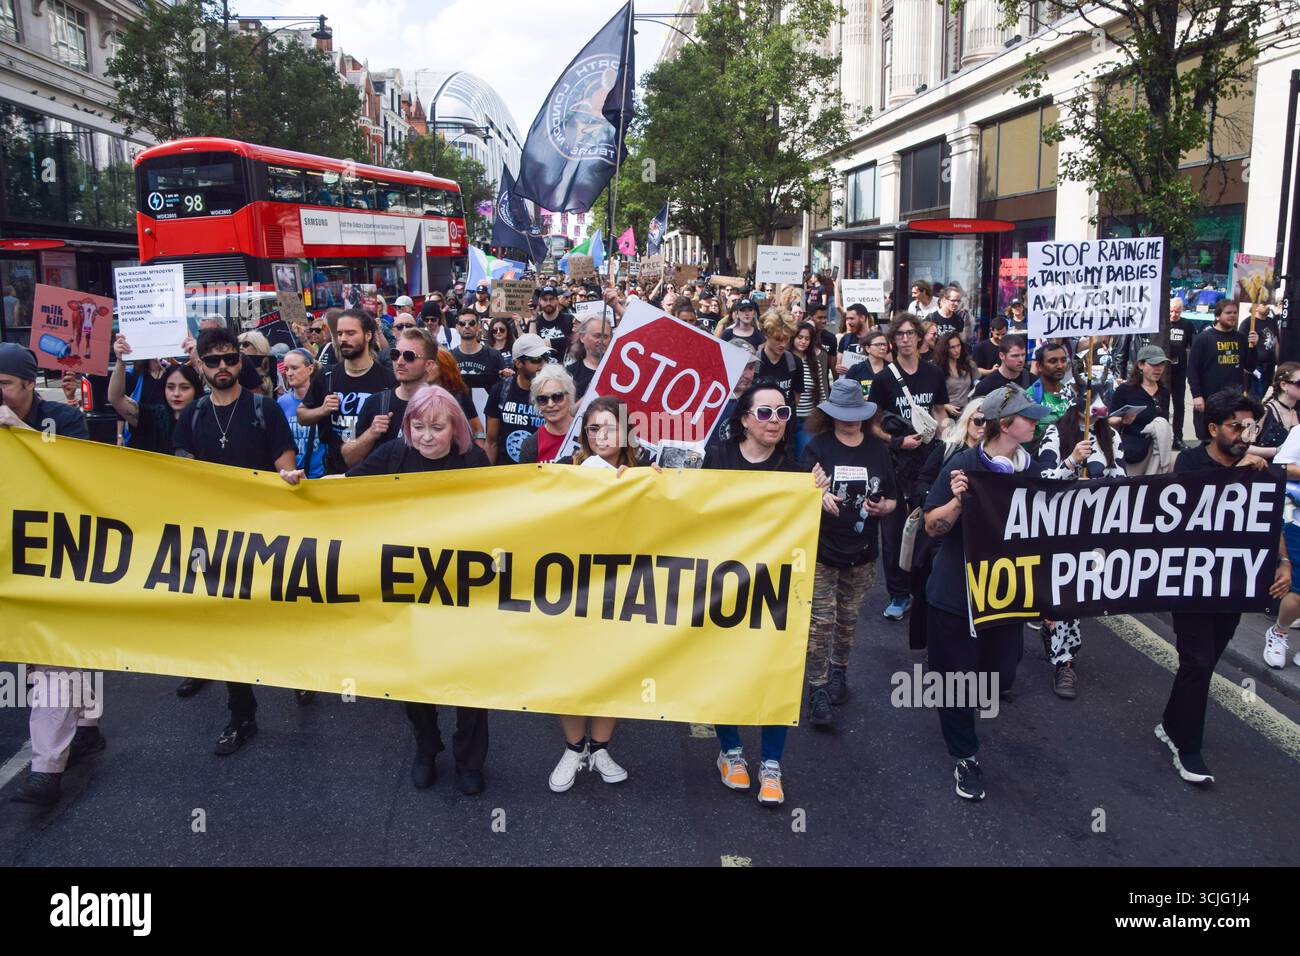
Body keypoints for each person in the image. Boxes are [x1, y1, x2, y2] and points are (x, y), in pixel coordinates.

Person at [344, 385, 491, 796]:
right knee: (415, 676)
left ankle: (469, 760)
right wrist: (297, 482)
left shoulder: (472, 461)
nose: (427, 436)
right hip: (409, 589)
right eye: (418, 426)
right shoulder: (395, 454)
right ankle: (426, 748)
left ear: (455, 429)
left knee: (469, 679)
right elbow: (343, 488)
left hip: (463, 589)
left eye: (437, 427)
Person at [171, 327, 304, 756]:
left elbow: (286, 465)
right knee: (229, 626)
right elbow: (181, 475)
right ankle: (241, 714)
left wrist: (286, 479)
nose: (223, 367)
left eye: (230, 358)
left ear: (240, 362)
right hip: (215, 539)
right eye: (213, 361)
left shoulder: (264, 410)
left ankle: (303, 672)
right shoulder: (191, 416)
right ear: (202, 367)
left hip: (265, 535)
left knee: (279, 617)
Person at [922, 385, 1052, 800]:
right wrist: (959, 501)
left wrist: (1048, 597)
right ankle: (964, 756)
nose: (1034, 422)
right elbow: (931, 525)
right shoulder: (963, 464)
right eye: (1026, 416)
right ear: (1004, 422)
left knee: (999, 675)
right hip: (957, 595)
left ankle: (953, 694)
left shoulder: (1032, 470)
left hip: (1006, 597)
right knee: (957, 682)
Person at [1156, 389, 1287, 785]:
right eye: (1236, 426)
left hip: (1232, 582)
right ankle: (1187, 747)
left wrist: (1283, 562)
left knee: (1205, 661)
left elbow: (1269, 517)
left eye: (1251, 426)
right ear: (1213, 429)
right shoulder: (1191, 462)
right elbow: (1167, 508)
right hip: (1190, 581)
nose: (1245, 434)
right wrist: (1233, 472)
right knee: (1196, 660)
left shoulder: (1257, 472)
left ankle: (1169, 722)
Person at [0, 343, 99, 807]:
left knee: (51, 651)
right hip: (11, 557)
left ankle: (45, 769)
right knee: (64, 649)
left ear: (25, 384)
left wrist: (22, 434)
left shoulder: (64, 418)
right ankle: (86, 727)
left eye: (3, 384)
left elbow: (85, 470)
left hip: (64, 554)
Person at [704, 385, 807, 805]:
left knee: (772, 669)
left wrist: (821, 496)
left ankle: (771, 763)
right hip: (719, 582)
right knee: (723, 667)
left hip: (773, 590)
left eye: (782, 412)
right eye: (764, 412)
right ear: (744, 418)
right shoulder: (716, 459)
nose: (774, 420)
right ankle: (730, 752)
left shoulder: (796, 470)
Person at [546, 395, 643, 792]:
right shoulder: (573, 473)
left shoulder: (645, 472)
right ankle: (573, 748)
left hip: (625, 588)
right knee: (571, 669)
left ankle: (599, 747)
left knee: (613, 669)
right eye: (593, 428)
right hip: (577, 587)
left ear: (625, 430)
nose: (602, 435)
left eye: (610, 426)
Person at [800, 380, 897, 727]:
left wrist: (882, 507)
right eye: (843, 416)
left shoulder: (877, 450)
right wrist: (816, 494)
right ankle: (818, 687)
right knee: (820, 621)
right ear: (831, 417)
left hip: (863, 551)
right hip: (823, 550)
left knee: (848, 619)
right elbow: (800, 492)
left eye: (856, 415)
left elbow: (892, 498)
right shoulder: (817, 448)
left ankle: (839, 672)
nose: (850, 422)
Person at [1035, 402, 1124, 699]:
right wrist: (1071, 462)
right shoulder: (1055, 433)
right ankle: (1065, 663)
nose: (1097, 410)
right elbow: (1042, 481)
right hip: (1058, 530)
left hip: (1093, 528)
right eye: (1092, 403)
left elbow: (1120, 480)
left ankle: (1058, 640)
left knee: (1081, 593)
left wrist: (1101, 483)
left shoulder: (1111, 436)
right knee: (1064, 594)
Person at [868, 313, 950, 621]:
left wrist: (947, 434)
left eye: (909, 334)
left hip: (928, 463)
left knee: (925, 528)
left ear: (919, 337)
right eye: (899, 335)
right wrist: (896, 442)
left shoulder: (933, 374)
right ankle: (898, 595)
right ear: (893, 340)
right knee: (893, 531)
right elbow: (872, 424)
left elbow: (939, 410)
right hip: (894, 464)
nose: (904, 339)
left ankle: (922, 591)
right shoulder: (883, 379)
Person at [908, 402, 986, 653]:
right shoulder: (949, 448)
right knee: (940, 591)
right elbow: (920, 481)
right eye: (978, 420)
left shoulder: (1003, 459)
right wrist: (936, 500)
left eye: (988, 422)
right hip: (942, 534)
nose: (982, 427)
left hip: (979, 537)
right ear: (967, 421)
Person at [297, 309, 397, 474]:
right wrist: (322, 410)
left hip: (376, 476)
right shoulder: (327, 376)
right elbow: (302, 415)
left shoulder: (387, 380)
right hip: (335, 474)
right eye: (340, 333)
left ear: (368, 335)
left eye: (351, 333)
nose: (343, 339)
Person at [342, 327, 440, 468]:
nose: (399, 361)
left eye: (409, 356)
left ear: (429, 365)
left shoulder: (443, 405)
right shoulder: (373, 402)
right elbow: (348, 457)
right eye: (395, 354)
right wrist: (371, 433)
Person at [108, 335, 202, 455]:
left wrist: (198, 360)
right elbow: (116, 398)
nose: (176, 394)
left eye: (184, 388)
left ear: (196, 389)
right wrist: (120, 361)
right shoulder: (154, 416)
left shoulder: (206, 416)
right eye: (170, 387)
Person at [1188, 299, 1257, 442]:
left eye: (1235, 313)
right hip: (1209, 399)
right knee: (1208, 438)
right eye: (1228, 313)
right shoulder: (1204, 339)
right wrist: (1197, 395)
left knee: (1230, 439)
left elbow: (1250, 367)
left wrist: (1253, 347)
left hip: (1233, 400)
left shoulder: (1241, 339)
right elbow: (1193, 369)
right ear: (1218, 316)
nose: (1232, 315)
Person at [484, 333, 549, 464]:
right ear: (518, 363)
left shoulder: (553, 394)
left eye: (545, 357)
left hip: (540, 473)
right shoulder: (500, 391)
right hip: (507, 474)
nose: (542, 364)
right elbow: (491, 441)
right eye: (536, 359)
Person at [1110, 345, 1174, 475]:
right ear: (1141, 365)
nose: (1159, 369)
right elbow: (1109, 420)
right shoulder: (1125, 390)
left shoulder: (1164, 392)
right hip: (1133, 453)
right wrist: (1122, 420)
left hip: (1159, 451)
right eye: (1154, 364)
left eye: (1162, 364)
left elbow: (1165, 422)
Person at [277, 347, 326, 479]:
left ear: (310, 369)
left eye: (294, 368)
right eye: (286, 369)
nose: (289, 373)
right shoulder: (282, 402)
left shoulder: (324, 400)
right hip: (293, 477)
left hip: (322, 477)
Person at [519, 364, 576, 464]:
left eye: (557, 397)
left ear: (570, 396)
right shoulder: (531, 445)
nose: (550, 404)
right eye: (543, 399)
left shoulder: (588, 434)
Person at [1247, 363, 1300, 462]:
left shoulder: (1297, 414)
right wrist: (1277, 451)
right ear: (1284, 385)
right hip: (1264, 473)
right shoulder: (1262, 412)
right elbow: (1243, 448)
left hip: (1292, 474)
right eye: (1299, 383)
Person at [791, 320, 829, 456]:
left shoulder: (814, 363)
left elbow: (821, 391)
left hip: (808, 419)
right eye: (800, 337)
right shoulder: (786, 360)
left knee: (804, 454)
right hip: (789, 418)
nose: (803, 342)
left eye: (807, 339)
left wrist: (823, 415)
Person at [752, 309, 803, 407]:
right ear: (766, 335)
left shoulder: (795, 362)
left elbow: (796, 398)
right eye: (778, 339)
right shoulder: (754, 363)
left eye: (786, 339)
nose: (783, 344)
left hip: (787, 419)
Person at [1026, 341, 1073, 443]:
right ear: (1039, 366)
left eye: (1063, 360)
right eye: (1053, 361)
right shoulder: (1029, 397)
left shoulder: (1072, 393)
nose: (1060, 366)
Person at [451, 307, 507, 391]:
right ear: (457, 327)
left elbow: (504, 386)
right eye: (462, 323)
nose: (467, 326)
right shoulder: (449, 357)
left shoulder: (494, 355)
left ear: (478, 327)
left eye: (471, 323)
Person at [1165, 297, 1195, 449]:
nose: (1174, 314)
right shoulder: (1163, 323)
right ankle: (1161, 438)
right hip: (1163, 371)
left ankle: (1178, 437)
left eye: (1177, 311)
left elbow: (1192, 347)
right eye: (1171, 311)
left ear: (1181, 311)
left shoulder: (1187, 325)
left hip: (1179, 371)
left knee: (1179, 406)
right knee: (1162, 405)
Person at [565, 316, 611, 400]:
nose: (601, 341)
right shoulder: (570, 373)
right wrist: (587, 397)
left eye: (605, 337)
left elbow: (623, 404)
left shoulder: (617, 370)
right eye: (597, 336)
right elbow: (568, 411)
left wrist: (621, 413)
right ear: (582, 337)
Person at [1241, 301, 1280, 400]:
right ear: (1256, 307)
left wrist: (1278, 363)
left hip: (1270, 365)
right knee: (1253, 397)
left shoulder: (1271, 321)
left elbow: (1276, 342)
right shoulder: (1247, 323)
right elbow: (1241, 347)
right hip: (1256, 366)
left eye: (1267, 304)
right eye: (1264, 304)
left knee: (1261, 394)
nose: (1267, 306)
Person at [935, 331, 976, 415]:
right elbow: (932, 395)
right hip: (945, 412)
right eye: (952, 347)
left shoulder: (968, 364)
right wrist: (946, 406)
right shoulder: (938, 368)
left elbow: (976, 383)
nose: (957, 350)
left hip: (966, 411)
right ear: (945, 349)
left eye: (958, 346)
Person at [529, 286, 573, 356]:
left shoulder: (569, 319)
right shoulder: (534, 321)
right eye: (545, 299)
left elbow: (575, 341)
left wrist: (549, 342)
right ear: (540, 301)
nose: (548, 303)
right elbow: (532, 345)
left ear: (557, 300)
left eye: (551, 299)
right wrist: (533, 316)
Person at [846, 329, 889, 399]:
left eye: (885, 344)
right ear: (867, 348)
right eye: (878, 345)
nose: (883, 348)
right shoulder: (856, 370)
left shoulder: (892, 369)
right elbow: (846, 394)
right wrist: (860, 398)